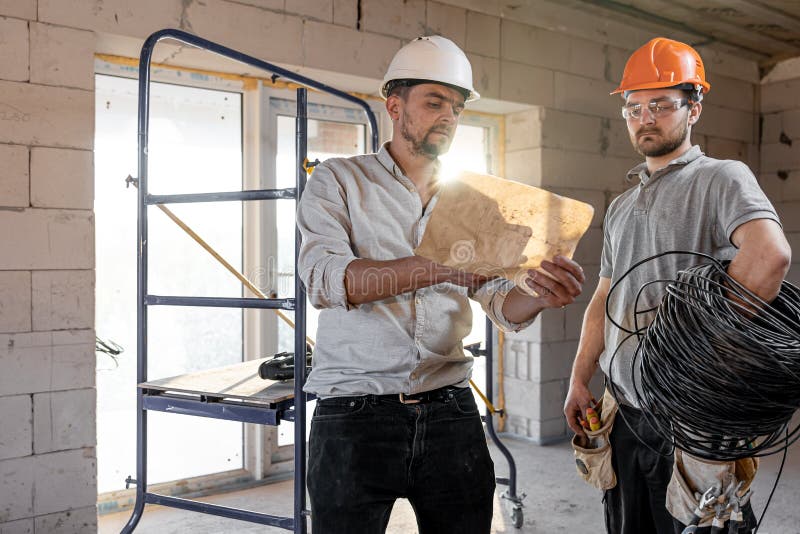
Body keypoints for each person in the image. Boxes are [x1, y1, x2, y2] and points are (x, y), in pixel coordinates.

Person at [297, 35, 585, 534]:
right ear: (395, 105)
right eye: (434, 102)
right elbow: (327, 281)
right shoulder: (339, 182)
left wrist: (538, 295)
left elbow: (500, 303)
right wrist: (442, 268)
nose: (448, 116)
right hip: (353, 415)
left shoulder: (474, 201)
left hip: (449, 407)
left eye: (456, 106)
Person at [563, 37, 792, 534]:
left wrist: (696, 354)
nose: (645, 117)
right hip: (622, 411)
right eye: (634, 107)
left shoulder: (721, 179)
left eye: (661, 104)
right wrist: (581, 378)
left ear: (694, 108)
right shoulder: (622, 207)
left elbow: (769, 255)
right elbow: (605, 297)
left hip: (692, 424)